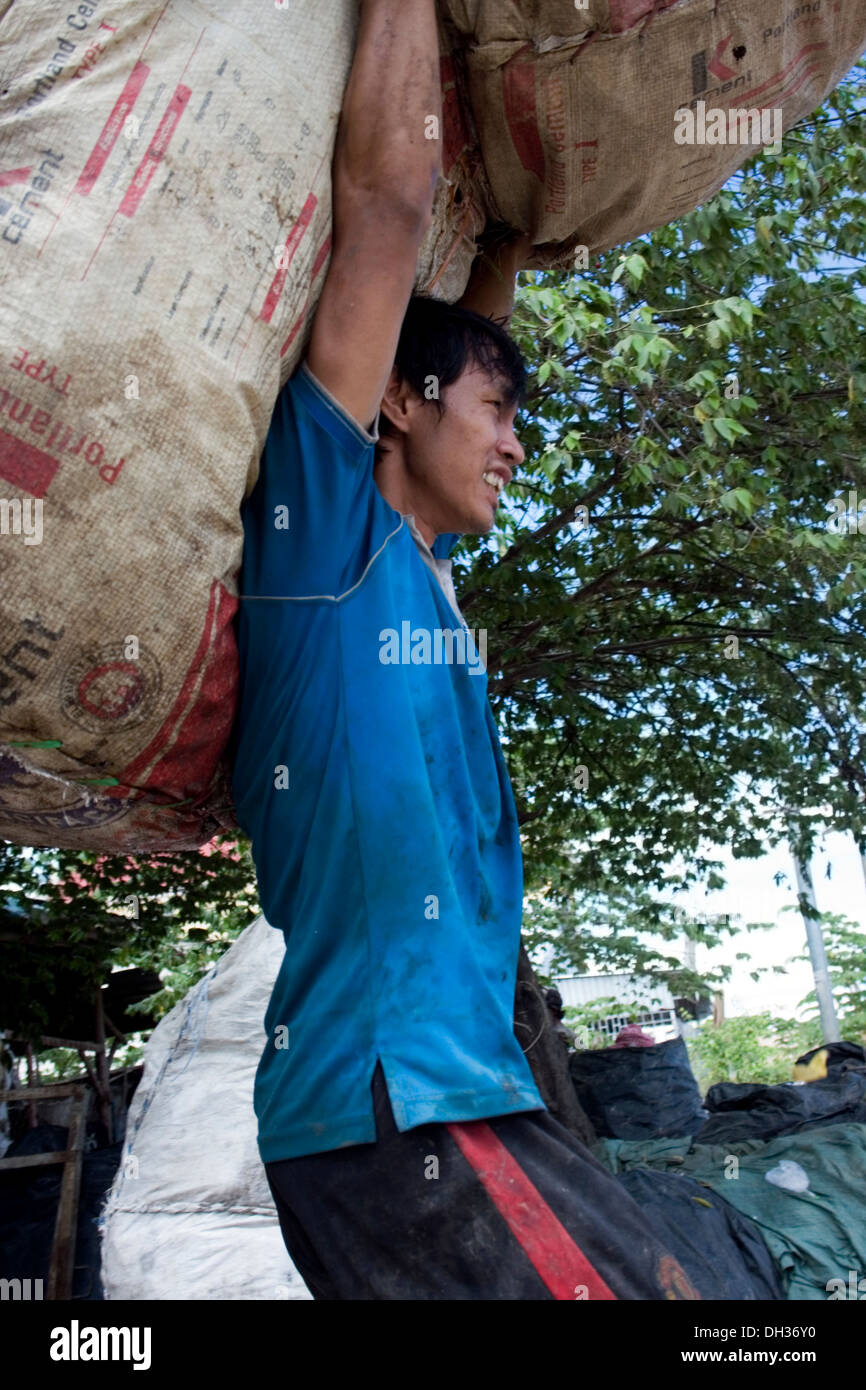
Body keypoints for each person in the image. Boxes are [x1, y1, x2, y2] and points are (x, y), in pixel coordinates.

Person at [230, 0, 698, 1301]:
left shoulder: (423, 581)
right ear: (391, 403)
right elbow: (386, 209)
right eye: (497, 415)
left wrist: (508, 223)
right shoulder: (327, 537)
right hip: (398, 1110)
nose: (514, 446)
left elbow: (452, 328)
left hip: (457, 1092)